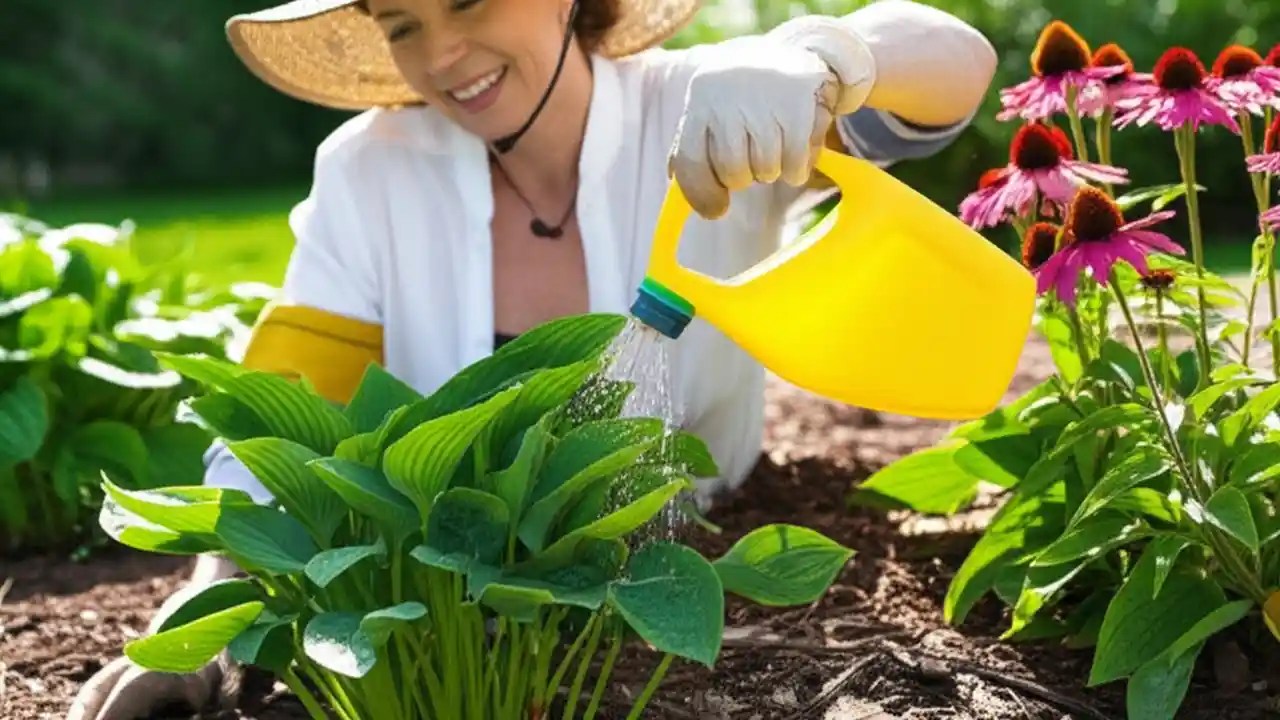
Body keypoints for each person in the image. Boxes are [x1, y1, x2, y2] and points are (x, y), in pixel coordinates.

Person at [69, 0, 996, 717]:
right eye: (401, 24)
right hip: (463, 596)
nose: (439, 55)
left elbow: (960, 69)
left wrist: (818, 57)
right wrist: (199, 620)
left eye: (468, 0)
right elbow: (276, 414)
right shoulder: (369, 170)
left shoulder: (708, 107)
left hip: (697, 559)